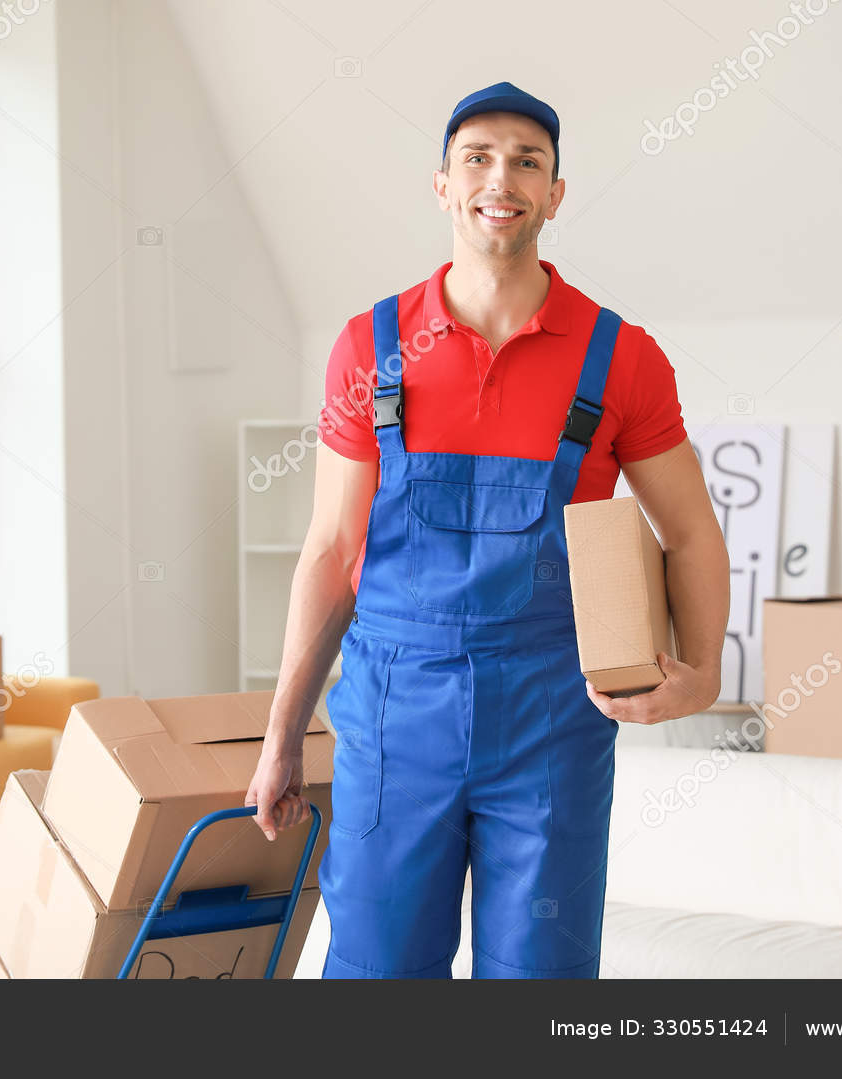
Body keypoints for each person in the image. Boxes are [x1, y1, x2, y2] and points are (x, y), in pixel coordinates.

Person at [244, 82, 730, 979]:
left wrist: (700, 675)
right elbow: (331, 553)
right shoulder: (371, 346)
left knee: (541, 974)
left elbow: (692, 530)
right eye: (478, 157)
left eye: (526, 160)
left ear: (554, 193)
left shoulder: (618, 355)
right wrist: (281, 737)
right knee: (379, 970)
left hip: (551, 716)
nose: (500, 177)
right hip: (394, 717)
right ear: (442, 184)